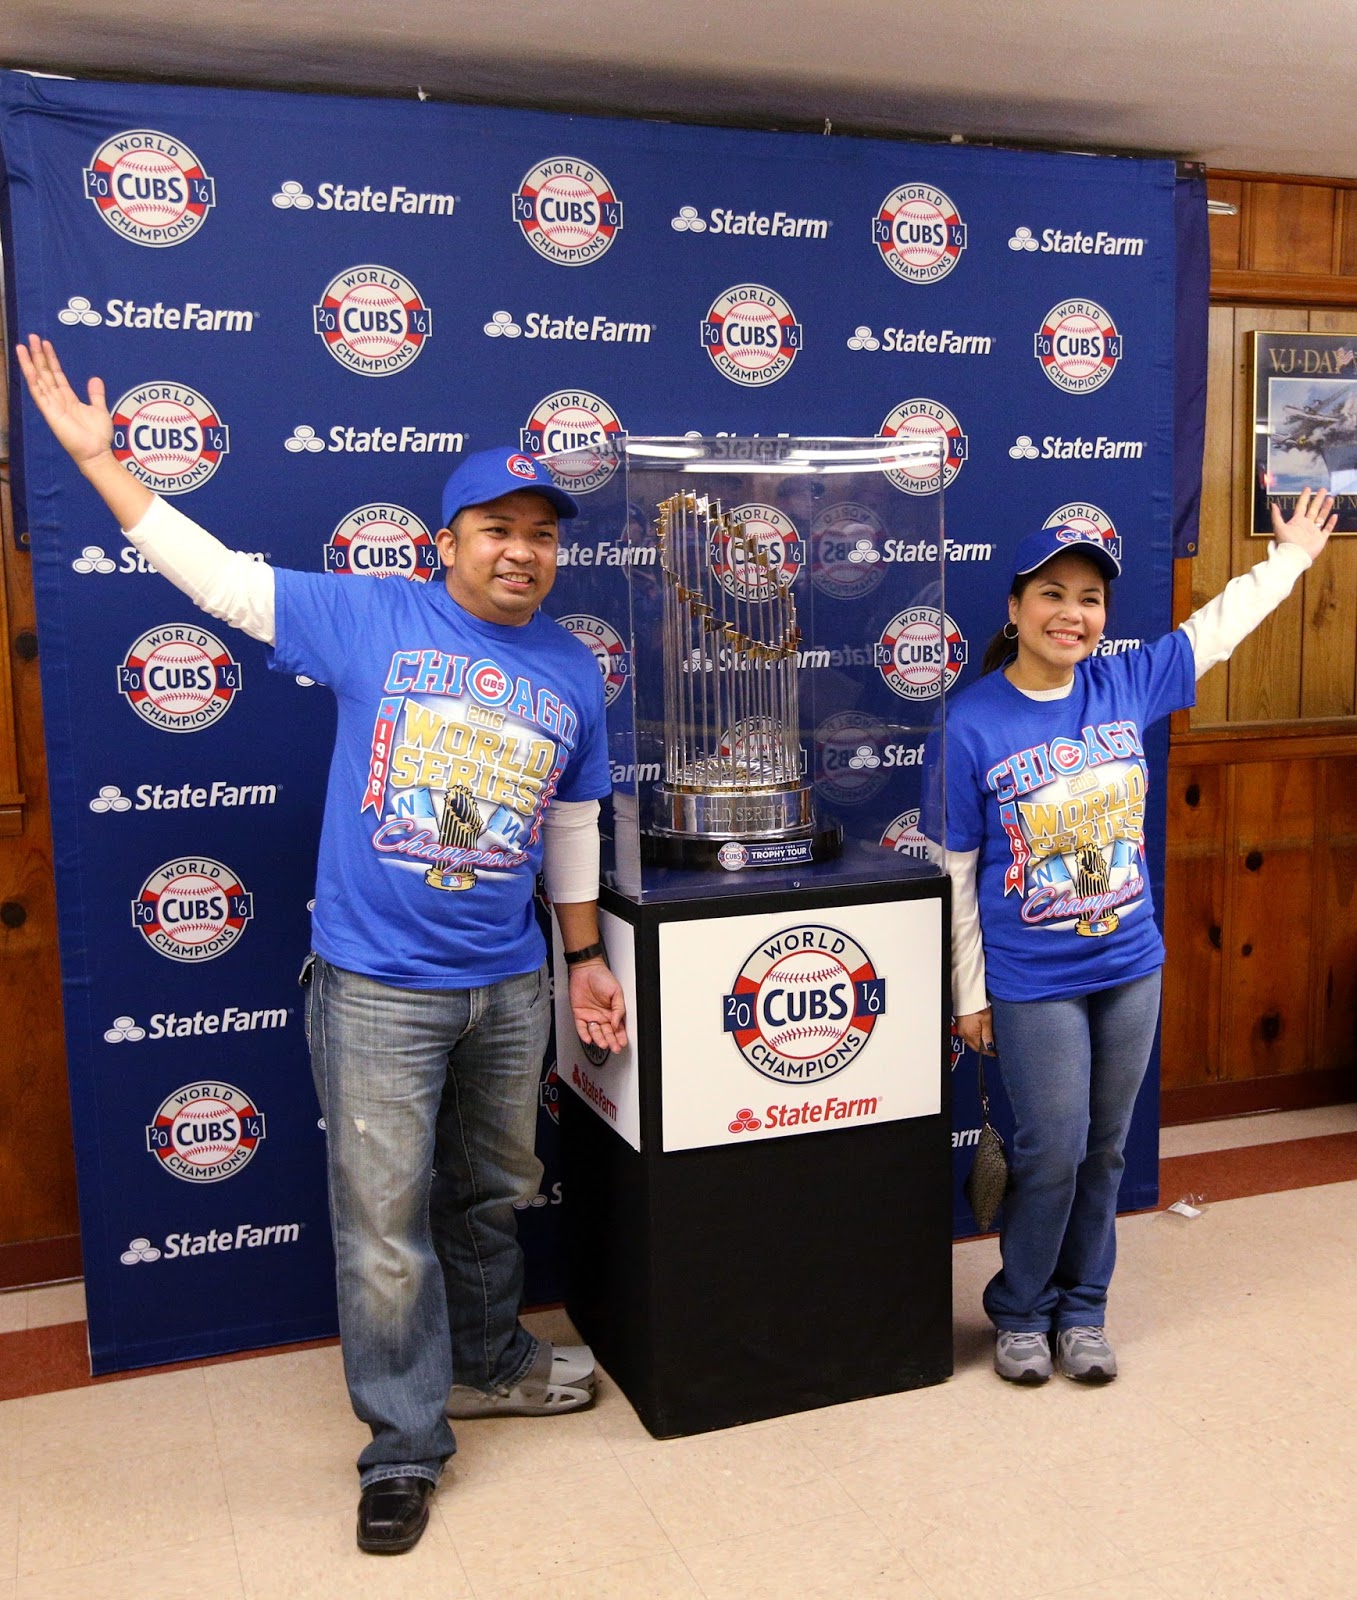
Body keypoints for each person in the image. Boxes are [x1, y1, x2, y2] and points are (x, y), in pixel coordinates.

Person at [15, 335, 627, 1553]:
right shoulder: (369, 614)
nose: (521, 551)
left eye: (540, 534)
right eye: (496, 530)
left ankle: (491, 1361)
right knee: (384, 1229)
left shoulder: (570, 663)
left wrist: (581, 957)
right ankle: (401, 1445)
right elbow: (219, 581)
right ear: (446, 544)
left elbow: (570, 821)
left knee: (489, 1196)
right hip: (378, 988)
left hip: (508, 981)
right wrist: (102, 467)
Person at [926, 496, 1336, 1385]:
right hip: (1033, 977)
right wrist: (968, 994)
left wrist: (1292, 557)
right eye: (1051, 594)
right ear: (1014, 608)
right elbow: (954, 872)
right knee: (1052, 1149)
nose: (1070, 613)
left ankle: (1083, 1309)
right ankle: (1020, 1309)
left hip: (1128, 965)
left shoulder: (1127, 683)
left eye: (1089, 598)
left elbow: (1217, 628)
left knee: (1105, 1148)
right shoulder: (970, 722)